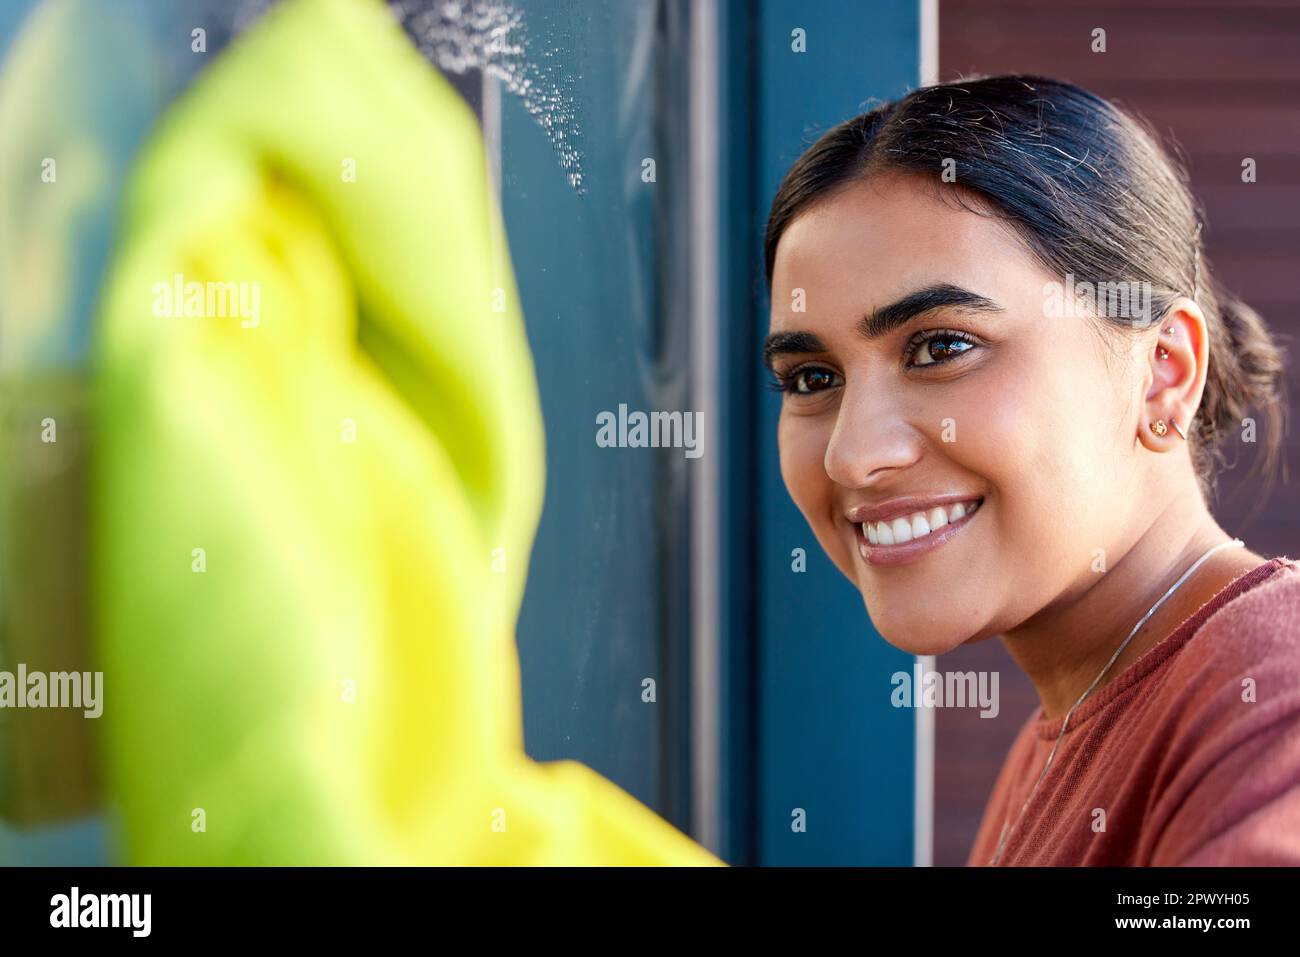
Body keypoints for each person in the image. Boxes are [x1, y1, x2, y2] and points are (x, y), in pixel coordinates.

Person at [762, 74, 1299, 865]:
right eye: (813, 378)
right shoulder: (1059, 736)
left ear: (1164, 373)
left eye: (941, 346)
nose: (854, 453)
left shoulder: (1271, 690)